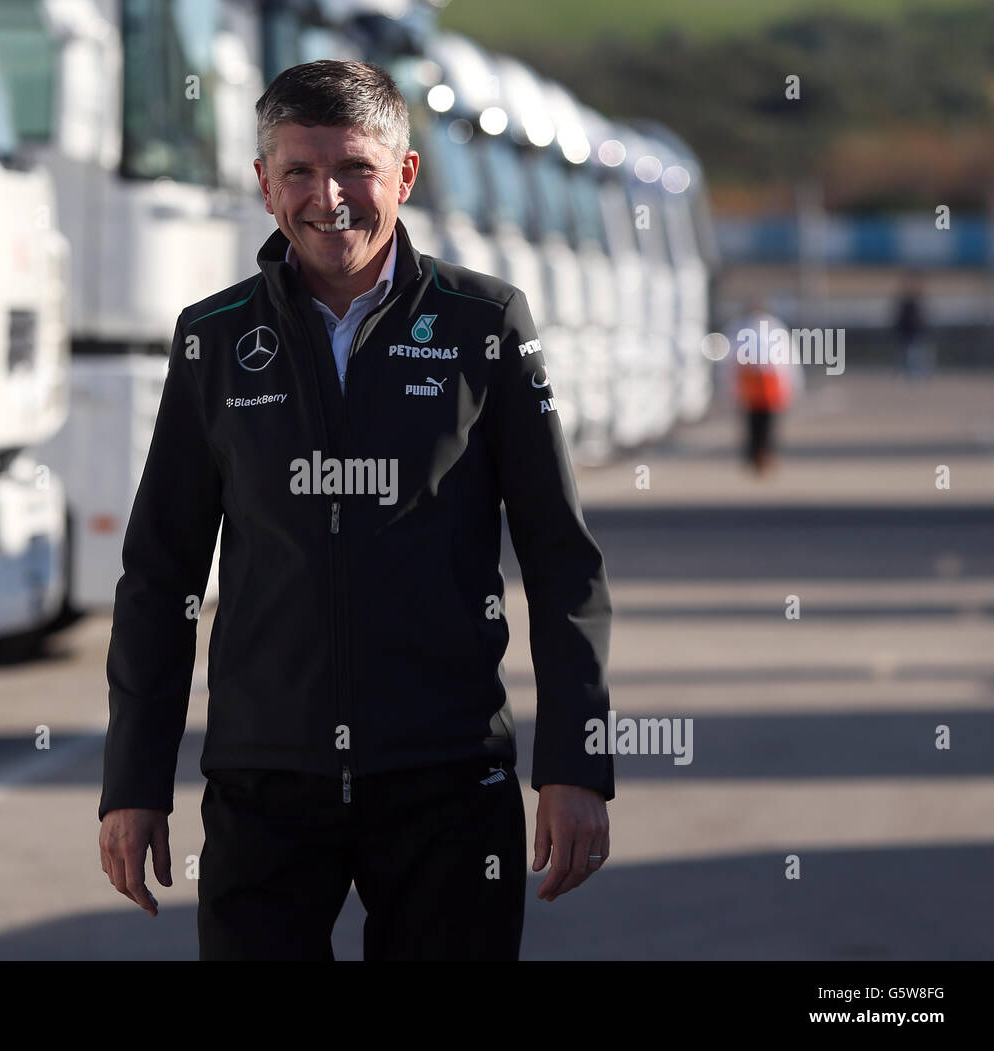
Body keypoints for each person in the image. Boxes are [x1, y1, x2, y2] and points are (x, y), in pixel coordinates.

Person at [98, 60, 614, 961]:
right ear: (263, 185)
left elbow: (563, 561)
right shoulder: (212, 340)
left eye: (354, 169)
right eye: (297, 170)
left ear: (404, 177)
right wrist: (132, 782)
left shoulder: (482, 325)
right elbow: (159, 575)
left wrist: (574, 765)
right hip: (265, 784)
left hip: (447, 779)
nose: (327, 197)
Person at [725, 298, 801, 475]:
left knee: (764, 421)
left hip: (766, 381)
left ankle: (763, 455)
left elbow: (786, 358)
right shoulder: (744, 327)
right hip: (752, 380)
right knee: (755, 421)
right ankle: (756, 455)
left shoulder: (769, 327)